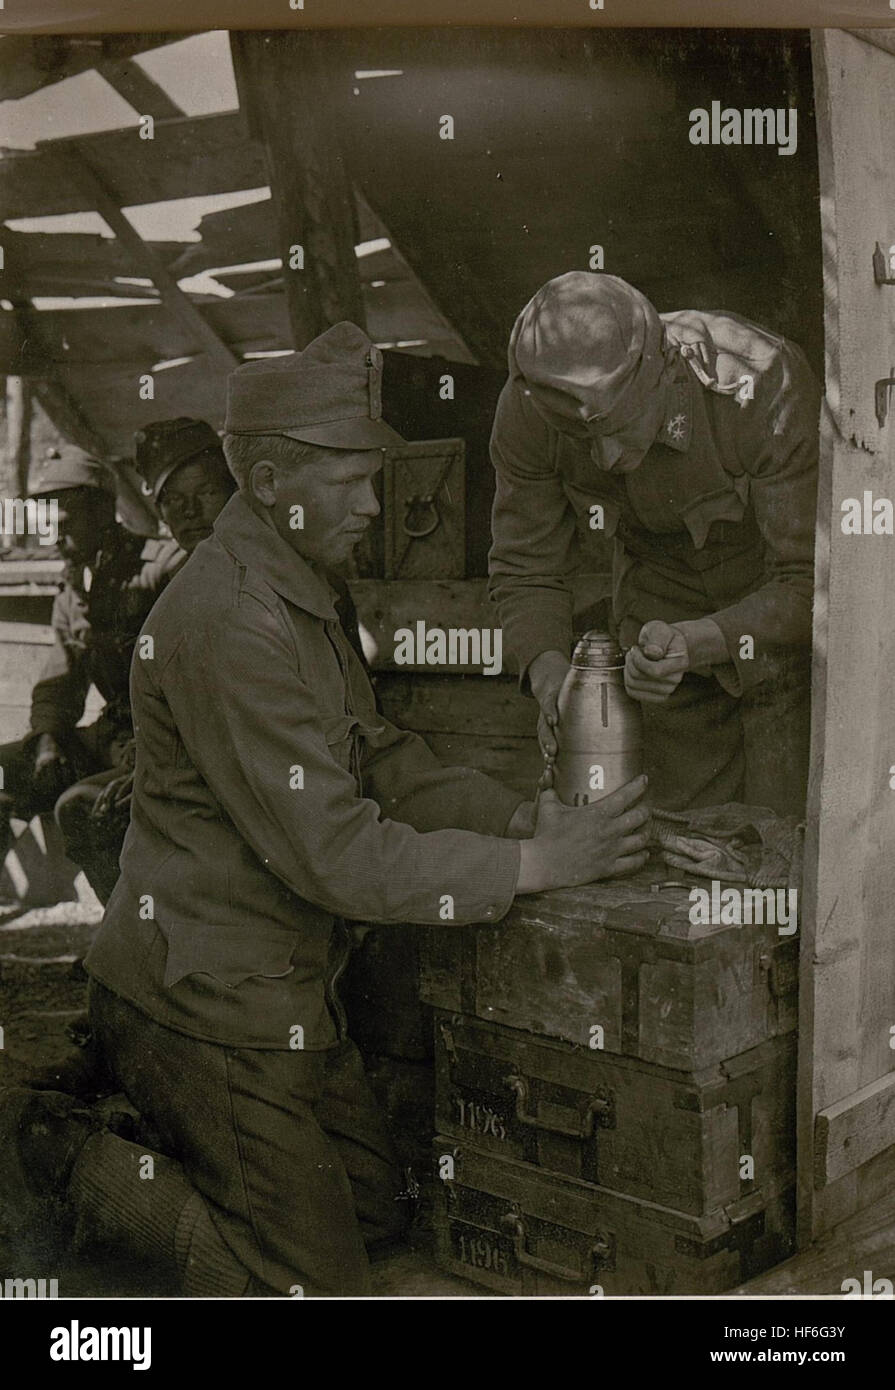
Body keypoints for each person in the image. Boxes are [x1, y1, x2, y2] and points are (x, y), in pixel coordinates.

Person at [0, 323, 649, 1298]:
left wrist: (516, 819)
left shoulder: (299, 585)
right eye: (350, 478)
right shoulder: (228, 617)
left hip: (283, 989)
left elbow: (375, 753)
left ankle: (154, 1135)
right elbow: (336, 856)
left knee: (377, 1207)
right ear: (270, 485)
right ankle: (69, 1152)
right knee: (305, 1285)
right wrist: (535, 869)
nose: (375, 501)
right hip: (201, 1002)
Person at [488, 272, 821, 817]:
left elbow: (814, 581)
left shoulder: (760, 383)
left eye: (621, 429)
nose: (607, 461)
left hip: (777, 643)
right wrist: (550, 678)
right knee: (676, 843)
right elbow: (526, 568)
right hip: (655, 659)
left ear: (666, 373)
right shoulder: (528, 407)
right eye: (583, 441)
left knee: (781, 852)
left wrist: (705, 641)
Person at [55, 419, 236, 903]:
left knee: (96, 808)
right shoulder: (77, 582)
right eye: (173, 502)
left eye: (207, 493)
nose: (190, 512)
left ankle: (149, 941)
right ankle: (133, 938)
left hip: (236, 762)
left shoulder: (181, 570)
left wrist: (155, 764)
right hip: (154, 742)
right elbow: (62, 681)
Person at [0, 446, 183, 907]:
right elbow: (60, 681)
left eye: (67, 522)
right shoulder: (74, 583)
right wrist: (46, 740)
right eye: (51, 526)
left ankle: (125, 937)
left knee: (84, 809)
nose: (57, 537)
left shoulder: (162, 569)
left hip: (161, 742)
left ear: (103, 509)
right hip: (111, 734)